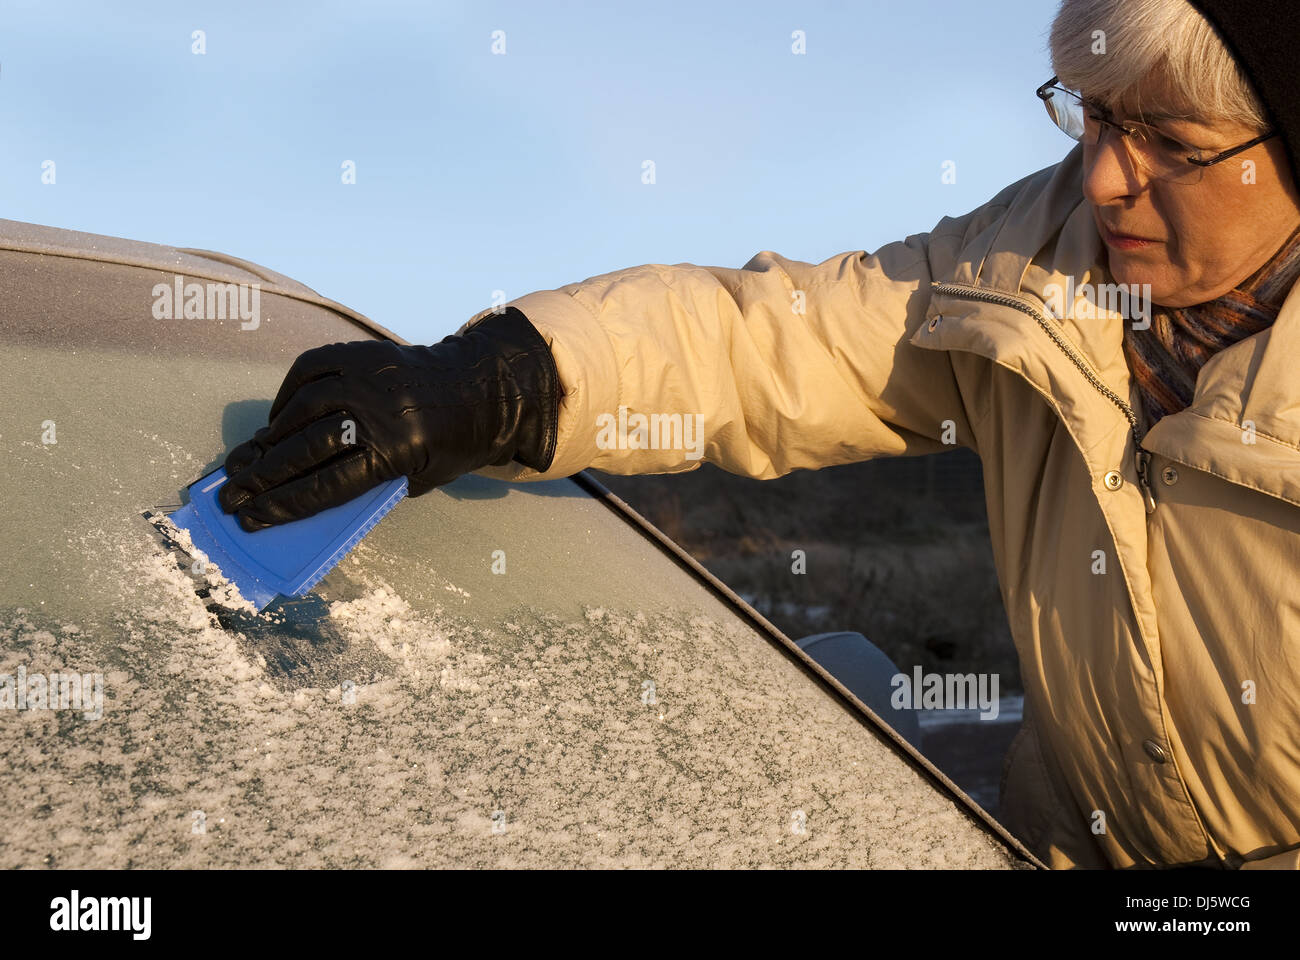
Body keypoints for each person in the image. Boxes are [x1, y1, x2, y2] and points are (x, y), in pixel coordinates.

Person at [217, 0, 1300, 869]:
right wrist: (499, 380)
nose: (1108, 176)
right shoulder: (1033, 262)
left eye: (1168, 141)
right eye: (1094, 115)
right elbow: (775, 342)